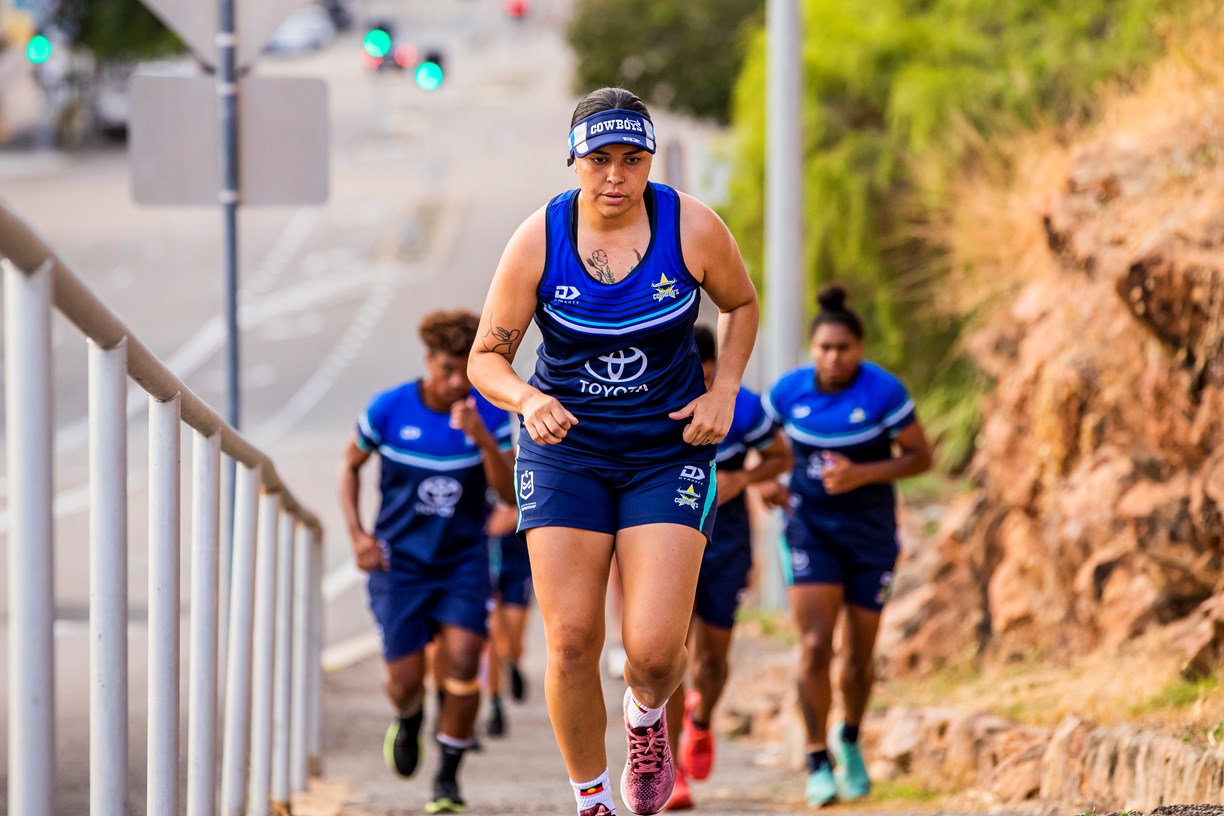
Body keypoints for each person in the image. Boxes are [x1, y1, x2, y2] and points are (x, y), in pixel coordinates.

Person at [467, 87, 759, 816]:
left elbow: (742, 303)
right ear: (573, 160)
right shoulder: (538, 239)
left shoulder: (691, 226)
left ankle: (646, 720)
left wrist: (723, 389)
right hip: (566, 453)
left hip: (669, 449)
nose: (615, 177)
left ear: (650, 161)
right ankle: (591, 797)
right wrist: (529, 401)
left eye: (632, 160)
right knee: (569, 640)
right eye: (599, 160)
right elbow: (485, 360)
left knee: (654, 652)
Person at [760, 284, 932, 807]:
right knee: (815, 645)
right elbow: (763, 452)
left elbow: (921, 458)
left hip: (871, 534)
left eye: (843, 348)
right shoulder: (789, 393)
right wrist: (767, 482)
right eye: (824, 349)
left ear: (859, 348)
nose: (833, 358)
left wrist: (862, 474)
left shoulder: (883, 392)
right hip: (810, 530)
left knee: (858, 659)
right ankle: (817, 759)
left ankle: (850, 740)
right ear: (813, 350)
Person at [338, 309, 515, 814]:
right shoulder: (389, 409)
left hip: (462, 561)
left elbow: (508, 495)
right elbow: (349, 467)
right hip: (399, 566)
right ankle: (411, 715)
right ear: (428, 362)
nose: (458, 382)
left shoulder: (490, 412)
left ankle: (447, 779)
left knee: (462, 664)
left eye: (467, 370)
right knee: (406, 679)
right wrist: (358, 535)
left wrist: (482, 438)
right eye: (447, 370)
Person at [662, 325, 792, 811]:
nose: (699, 381)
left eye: (707, 373)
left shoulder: (743, 405)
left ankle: (702, 720)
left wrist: (743, 477)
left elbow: (781, 456)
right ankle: (671, 768)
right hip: (668, 538)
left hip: (727, 541)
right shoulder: (655, 394)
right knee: (668, 655)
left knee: (712, 659)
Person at [483, 501, 533, 737]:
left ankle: (512, 663)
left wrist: (516, 514)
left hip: (518, 560)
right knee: (492, 636)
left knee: (513, 642)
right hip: (484, 557)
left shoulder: (521, 463)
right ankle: (495, 706)